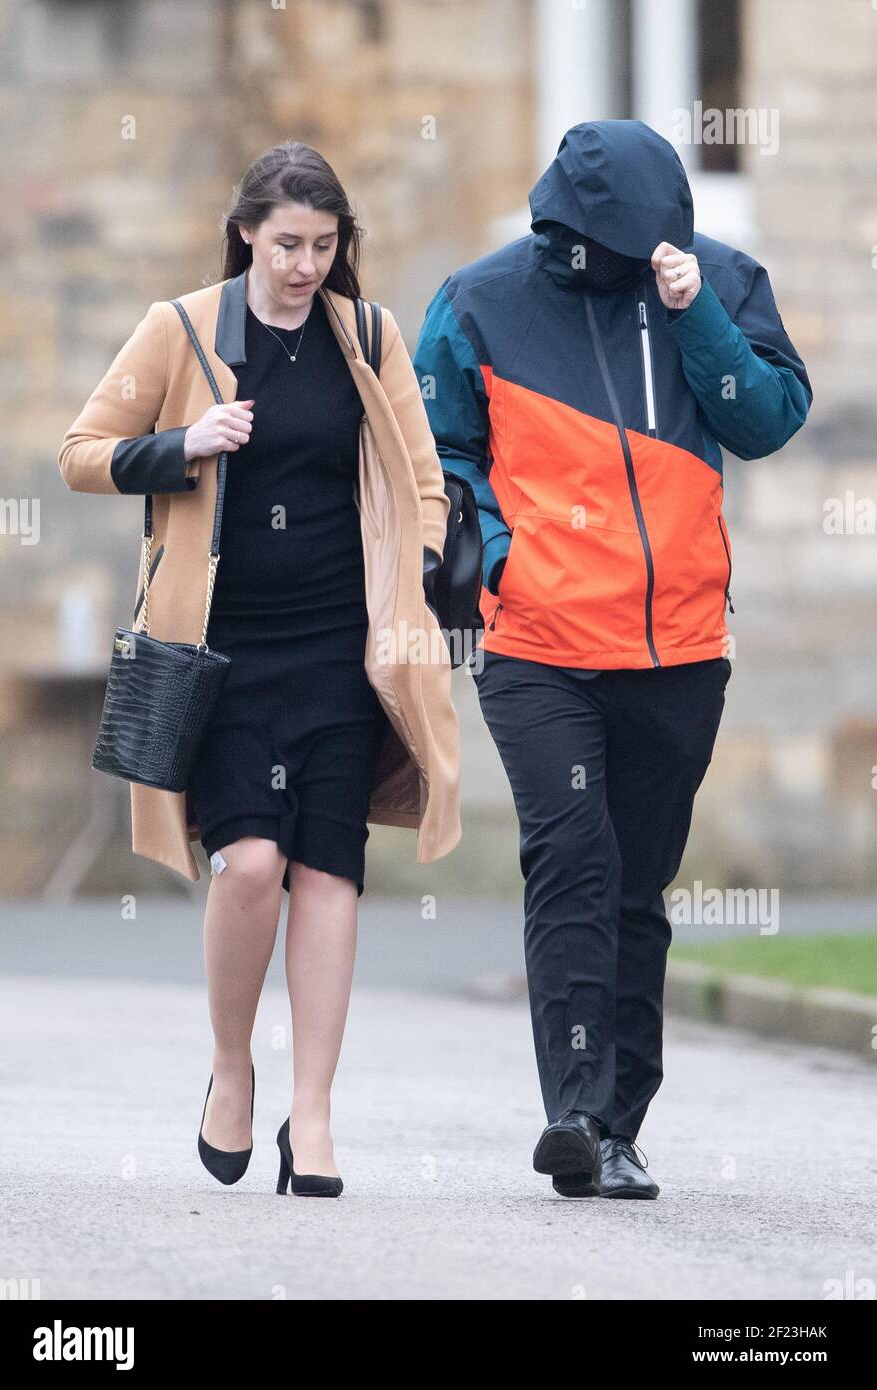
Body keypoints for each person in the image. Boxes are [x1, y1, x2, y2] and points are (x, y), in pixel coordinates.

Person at [413, 119, 812, 1199]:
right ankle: (577, 1115)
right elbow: (433, 451)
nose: (644, 257)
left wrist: (698, 319)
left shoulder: (720, 279)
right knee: (572, 859)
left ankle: (622, 1124)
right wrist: (494, 558)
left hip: (679, 647)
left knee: (636, 886)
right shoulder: (481, 300)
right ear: (567, 229)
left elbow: (770, 419)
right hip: (539, 646)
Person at [58, 141, 461, 1197]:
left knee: (328, 872)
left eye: (324, 246)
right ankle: (231, 1068)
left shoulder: (368, 334)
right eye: (287, 243)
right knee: (248, 866)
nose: (305, 265)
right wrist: (185, 440)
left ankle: (313, 1117)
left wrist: (417, 567)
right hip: (223, 657)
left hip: (340, 655)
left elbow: (425, 482)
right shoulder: (182, 327)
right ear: (247, 232)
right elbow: (81, 452)